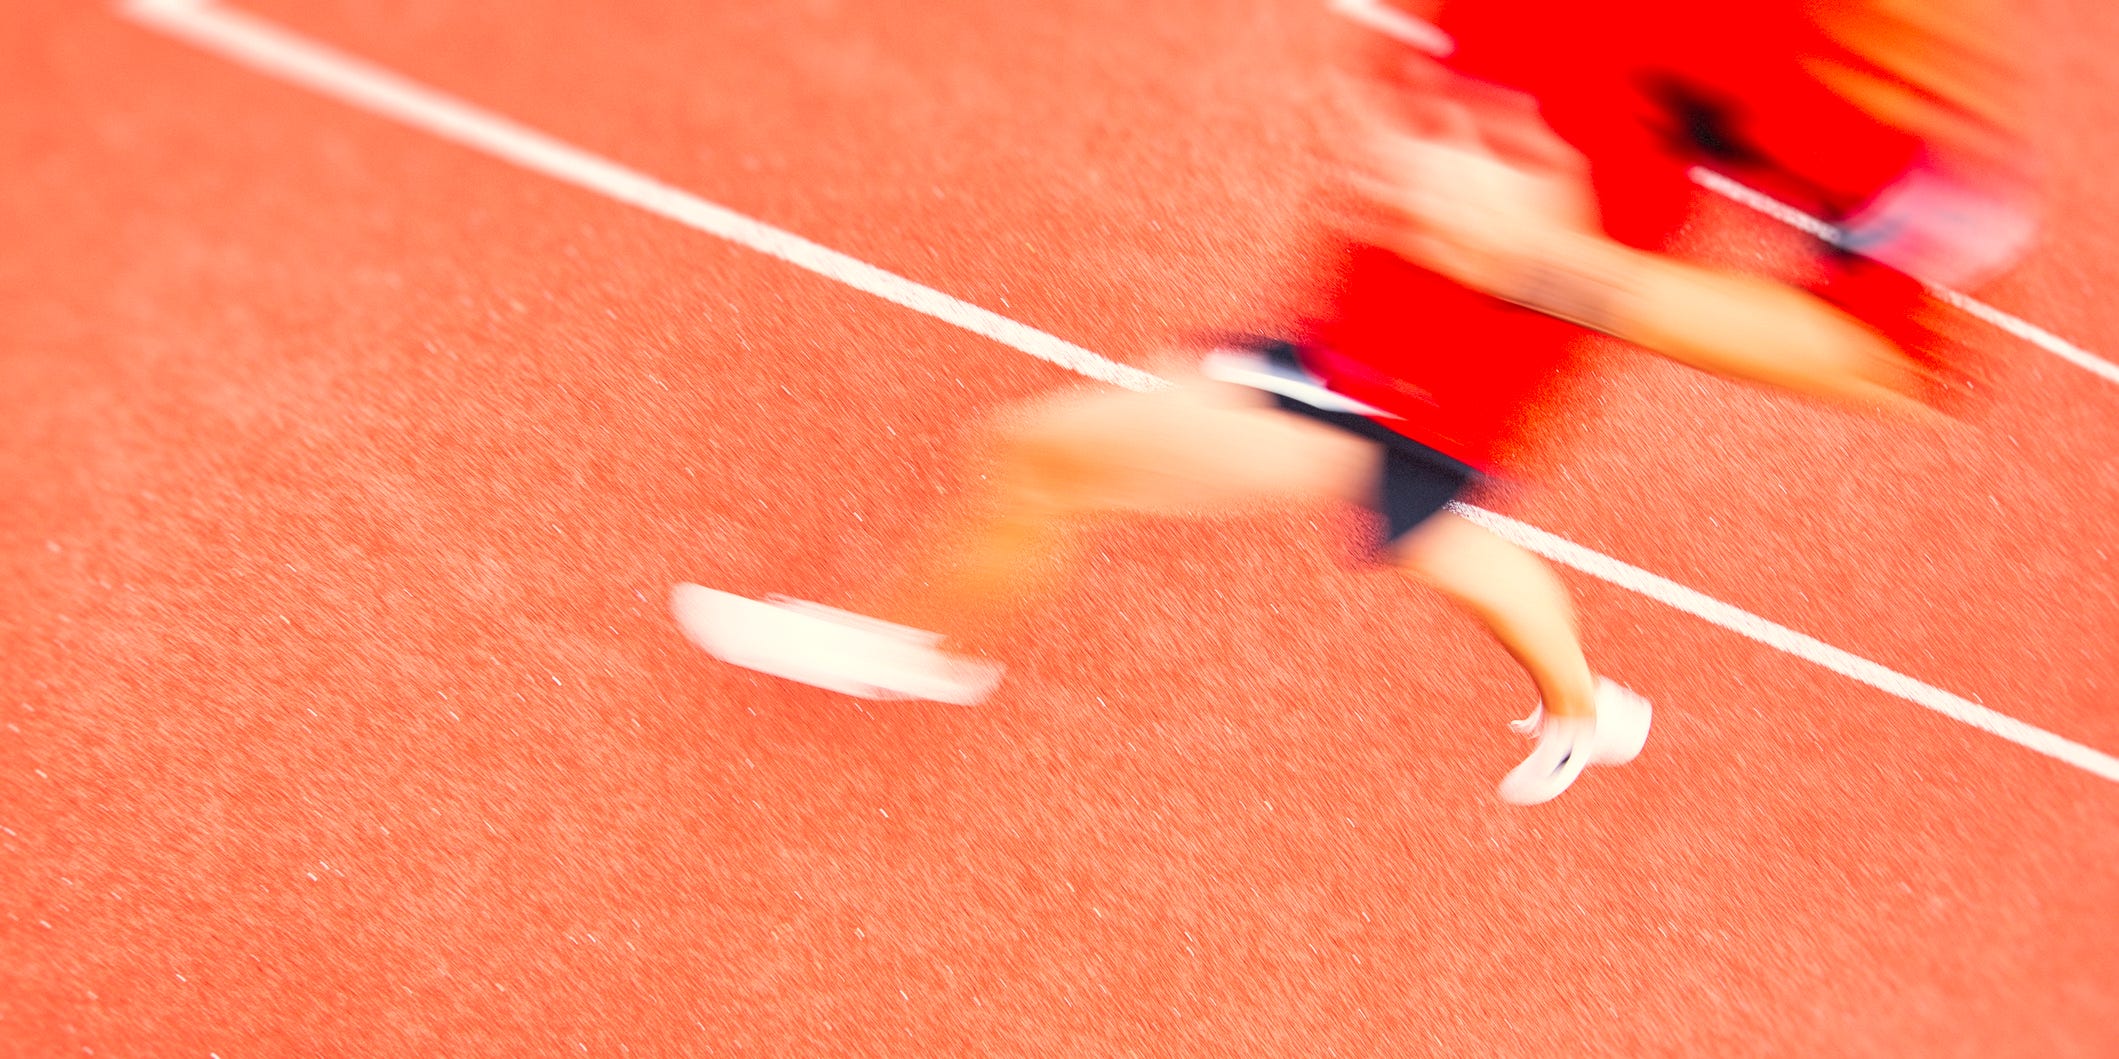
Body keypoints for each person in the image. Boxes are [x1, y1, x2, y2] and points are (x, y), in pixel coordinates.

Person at [673, 0, 2032, 804]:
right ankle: (1588, 710)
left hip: (1412, 386)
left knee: (1035, 461)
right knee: (1444, 545)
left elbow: (1890, 355)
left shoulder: (1795, 33)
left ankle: (919, 646)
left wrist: (1547, 264)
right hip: (1349, 333)